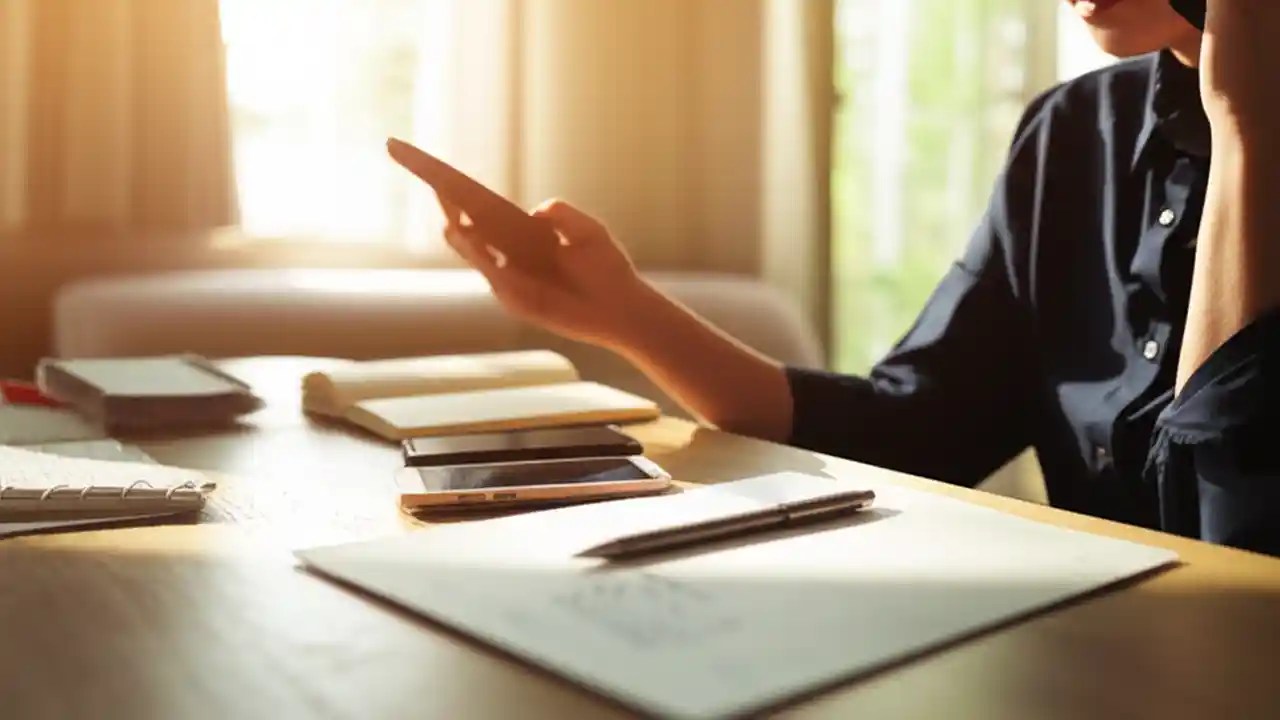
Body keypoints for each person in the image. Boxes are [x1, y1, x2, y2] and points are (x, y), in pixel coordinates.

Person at [422, 1, 1280, 555]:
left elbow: (1241, 534)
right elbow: (914, 431)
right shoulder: (1070, 135)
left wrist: (1248, 128)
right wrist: (624, 312)